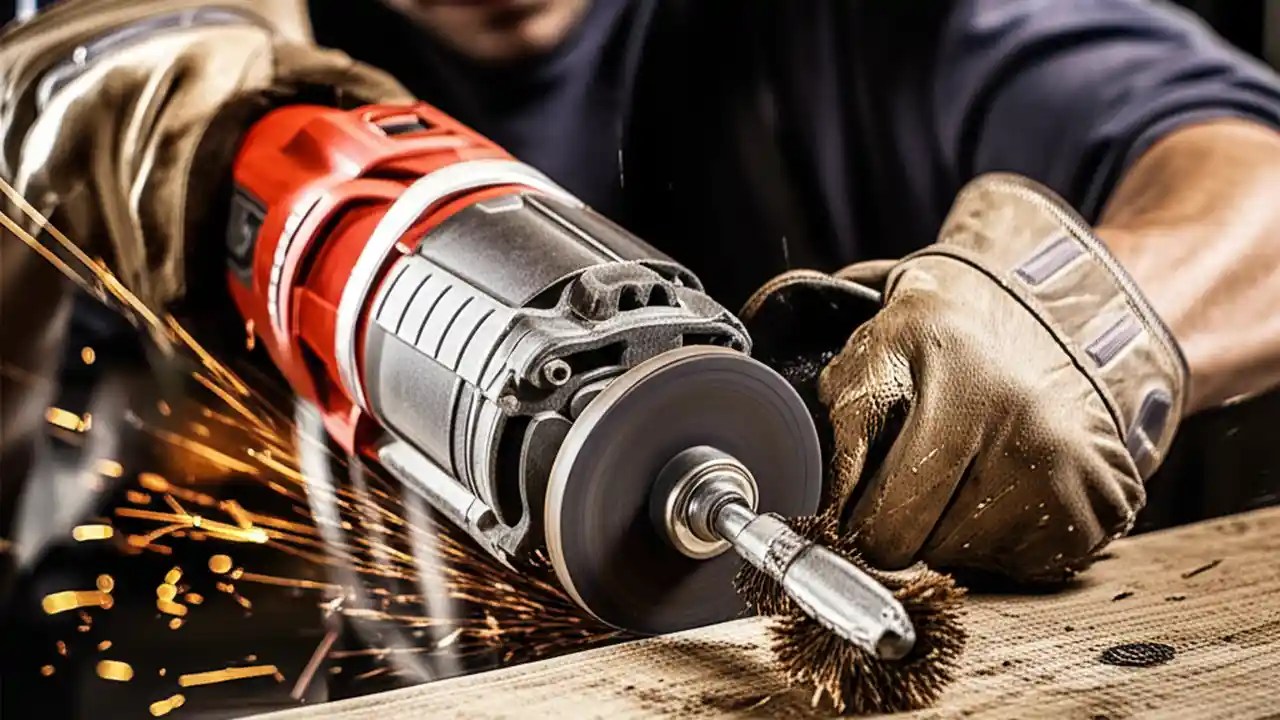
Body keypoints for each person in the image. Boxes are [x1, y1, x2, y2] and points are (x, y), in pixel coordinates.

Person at [2, 0, 1279, 583]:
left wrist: (1081, 324)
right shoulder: (197, 77)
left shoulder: (872, 28)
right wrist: (63, 115)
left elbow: (1252, 177)